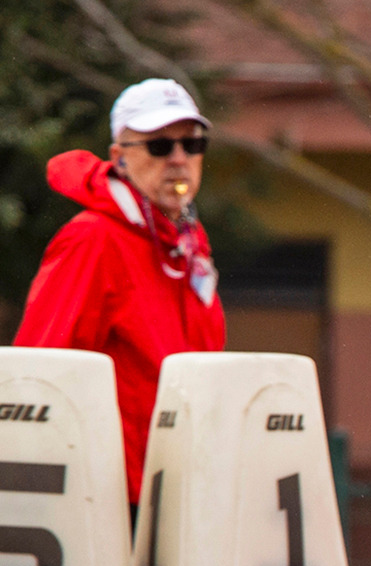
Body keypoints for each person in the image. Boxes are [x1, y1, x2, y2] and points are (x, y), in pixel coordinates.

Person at [14, 78, 223, 509]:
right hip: (111, 501)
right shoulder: (94, 240)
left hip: (182, 489)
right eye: (160, 146)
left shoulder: (188, 242)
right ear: (120, 157)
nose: (179, 159)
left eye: (192, 144)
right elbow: (38, 375)